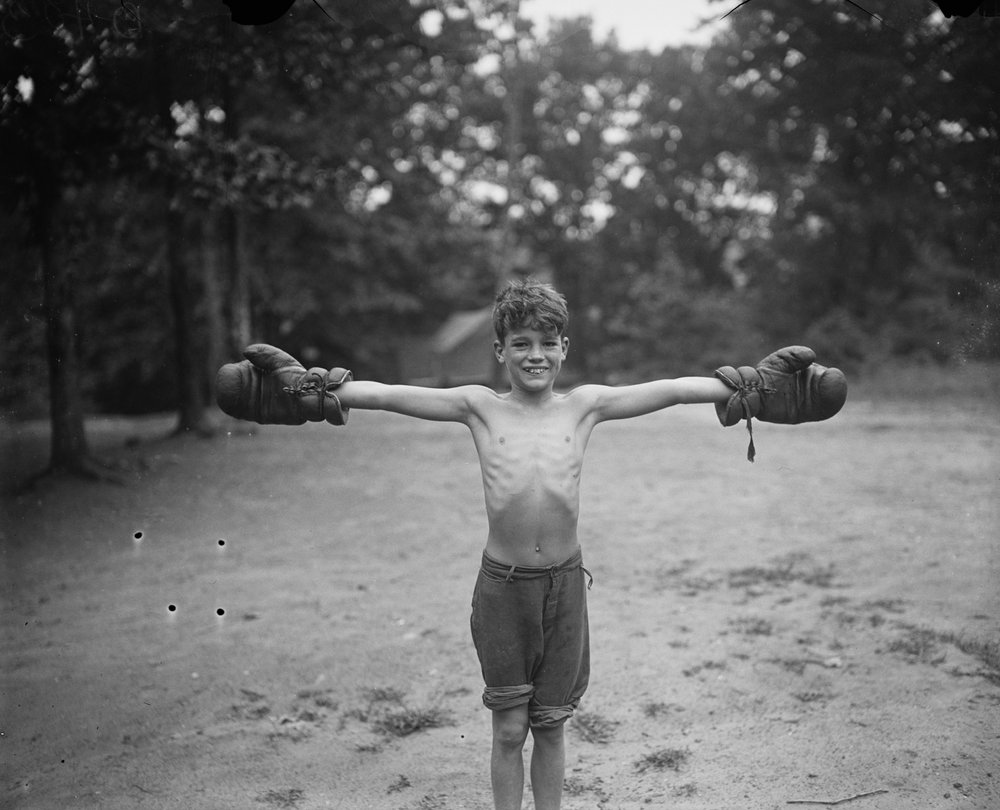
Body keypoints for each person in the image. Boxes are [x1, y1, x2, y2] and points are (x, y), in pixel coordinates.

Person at [215, 278, 846, 810]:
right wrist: (313, 392)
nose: (535, 355)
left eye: (547, 344)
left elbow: (671, 389)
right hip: (503, 592)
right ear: (500, 351)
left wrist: (748, 389)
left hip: (564, 588)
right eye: (522, 344)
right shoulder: (479, 407)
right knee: (508, 725)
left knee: (550, 725)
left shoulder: (586, 406)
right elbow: (388, 395)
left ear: (565, 348)